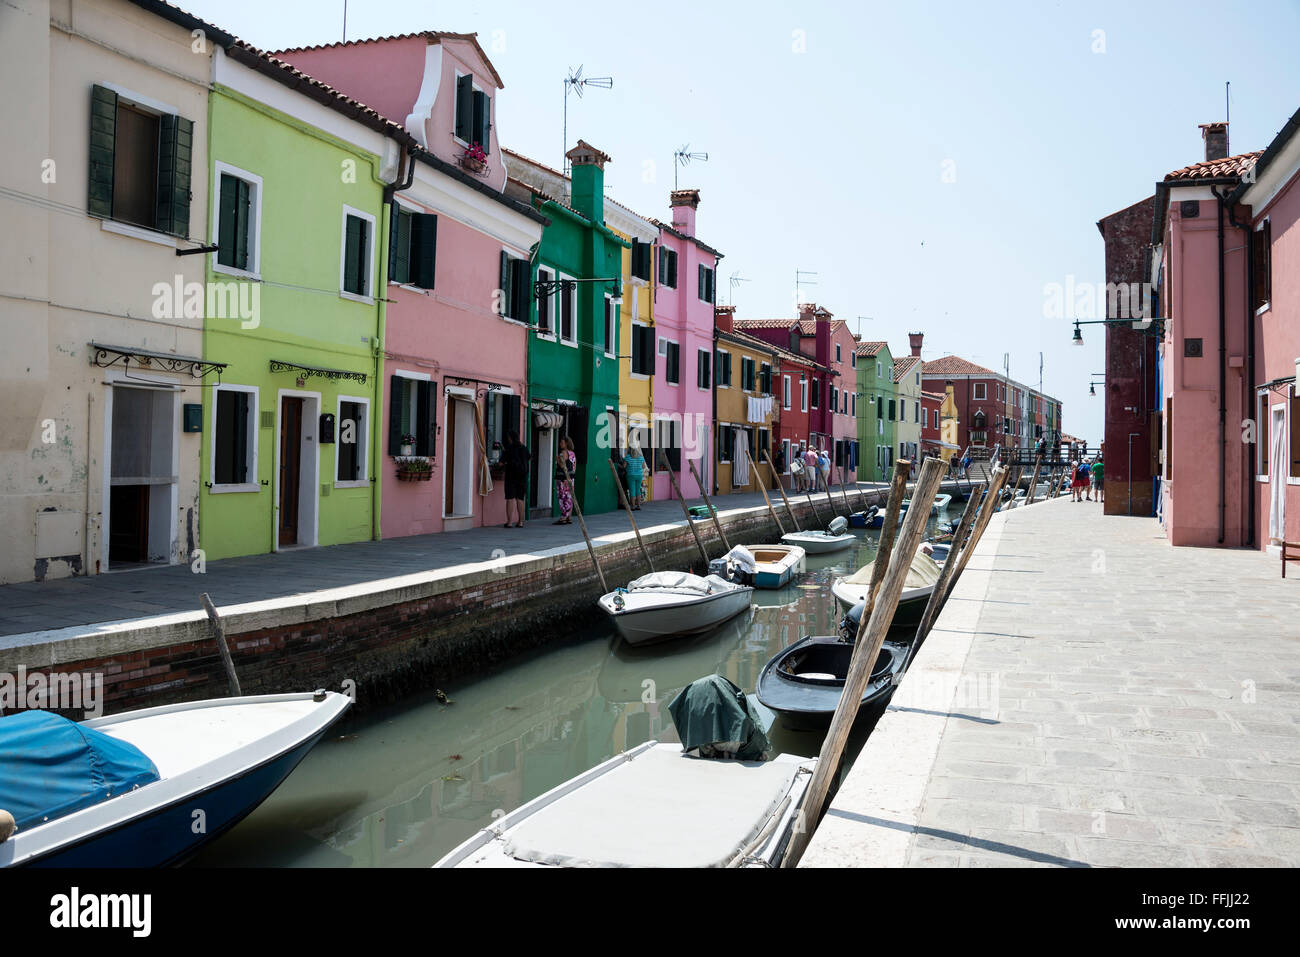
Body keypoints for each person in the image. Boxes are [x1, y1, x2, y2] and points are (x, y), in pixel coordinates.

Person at [502, 430, 528, 528]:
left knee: (510, 498)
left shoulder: (509, 449)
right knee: (520, 499)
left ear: (510, 438)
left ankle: (509, 522)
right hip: (522, 476)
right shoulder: (524, 448)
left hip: (511, 476)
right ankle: (520, 522)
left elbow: (501, 462)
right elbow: (529, 458)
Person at [554, 436, 576, 524]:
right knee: (569, 496)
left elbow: (562, 465)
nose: (560, 444)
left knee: (562, 496)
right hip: (571, 478)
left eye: (562, 442)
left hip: (563, 478)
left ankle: (563, 517)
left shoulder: (563, 452)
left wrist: (557, 460)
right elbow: (574, 466)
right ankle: (568, 516)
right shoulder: (572, 453)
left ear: (566, 444)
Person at [624, 441, 647, 510]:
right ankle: (639, 505)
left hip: (631, 475)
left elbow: (624, 466)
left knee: (632, 490)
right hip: (639, 475)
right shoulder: (641, 457)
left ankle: (633, 506)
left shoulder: (628, 457)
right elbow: (643, 466)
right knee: (638, 490)